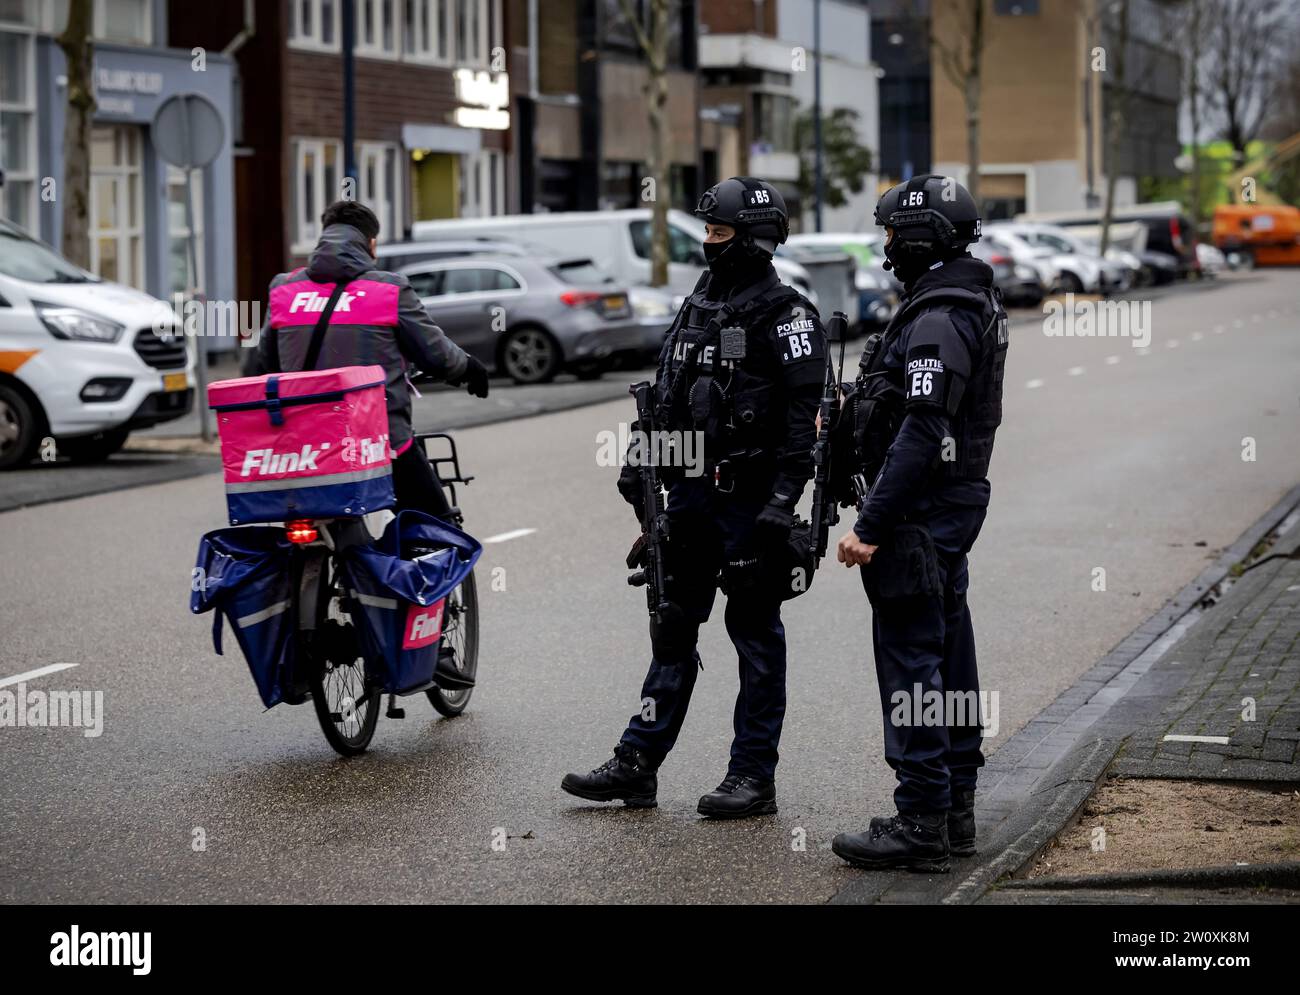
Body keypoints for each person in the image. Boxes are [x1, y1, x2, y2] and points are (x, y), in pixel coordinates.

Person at [561, 177, 825, 818]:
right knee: (672, 629)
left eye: (720, 233)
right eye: (705, 232)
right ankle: (637, 763)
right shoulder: (697, 306)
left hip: (751, 501)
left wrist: (783, 499)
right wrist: (638, 464)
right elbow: (666, 396)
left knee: (754, 636)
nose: (710, 244)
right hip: (688, 501)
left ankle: (752, 776)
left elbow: (805, 420)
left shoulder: (788, 315)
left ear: (756, 240)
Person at [830, 174, 1008, 872]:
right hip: (946, 506)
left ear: (922, 235)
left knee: (912, 663)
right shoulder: (962, 299)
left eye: (892, 234)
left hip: (920, 514)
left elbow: (923, 426)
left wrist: (871, 524)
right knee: (949, 652)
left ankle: (921, 819)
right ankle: (954, 808)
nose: (886, 246)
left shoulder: (938, 317)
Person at [255, 200, 489, 519]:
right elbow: (435, 353)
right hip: (378, 439)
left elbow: (265, 361)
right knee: (434, 524)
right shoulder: (388, 290)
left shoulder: (284, 288)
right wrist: (469, 369)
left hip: (303, 444)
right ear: (371, 245)